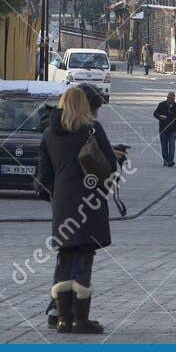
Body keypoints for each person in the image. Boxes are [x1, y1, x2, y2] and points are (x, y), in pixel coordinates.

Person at [38, 84, 121, 334]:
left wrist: (57, 196)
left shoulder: (48, 134)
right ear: (85, 106)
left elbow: (43, 177)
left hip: (63, 204)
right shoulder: (92, 130)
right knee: (84, 257)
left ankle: (61, 318)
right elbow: (111, 166)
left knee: (65, 256)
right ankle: (80, 320)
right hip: (89, 202)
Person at [153, 91, 176, 166]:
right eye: (168, 98)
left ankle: (170, 161)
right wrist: (160, 116)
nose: (170, 99)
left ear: (174, 98)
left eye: (171, 98)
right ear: (167, 98)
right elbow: (155, 113)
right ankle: (166, 160)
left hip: (173, 130)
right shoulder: (161, 105)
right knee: (164, 145)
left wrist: (175, 122)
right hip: (163, 128)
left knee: (172, 145)